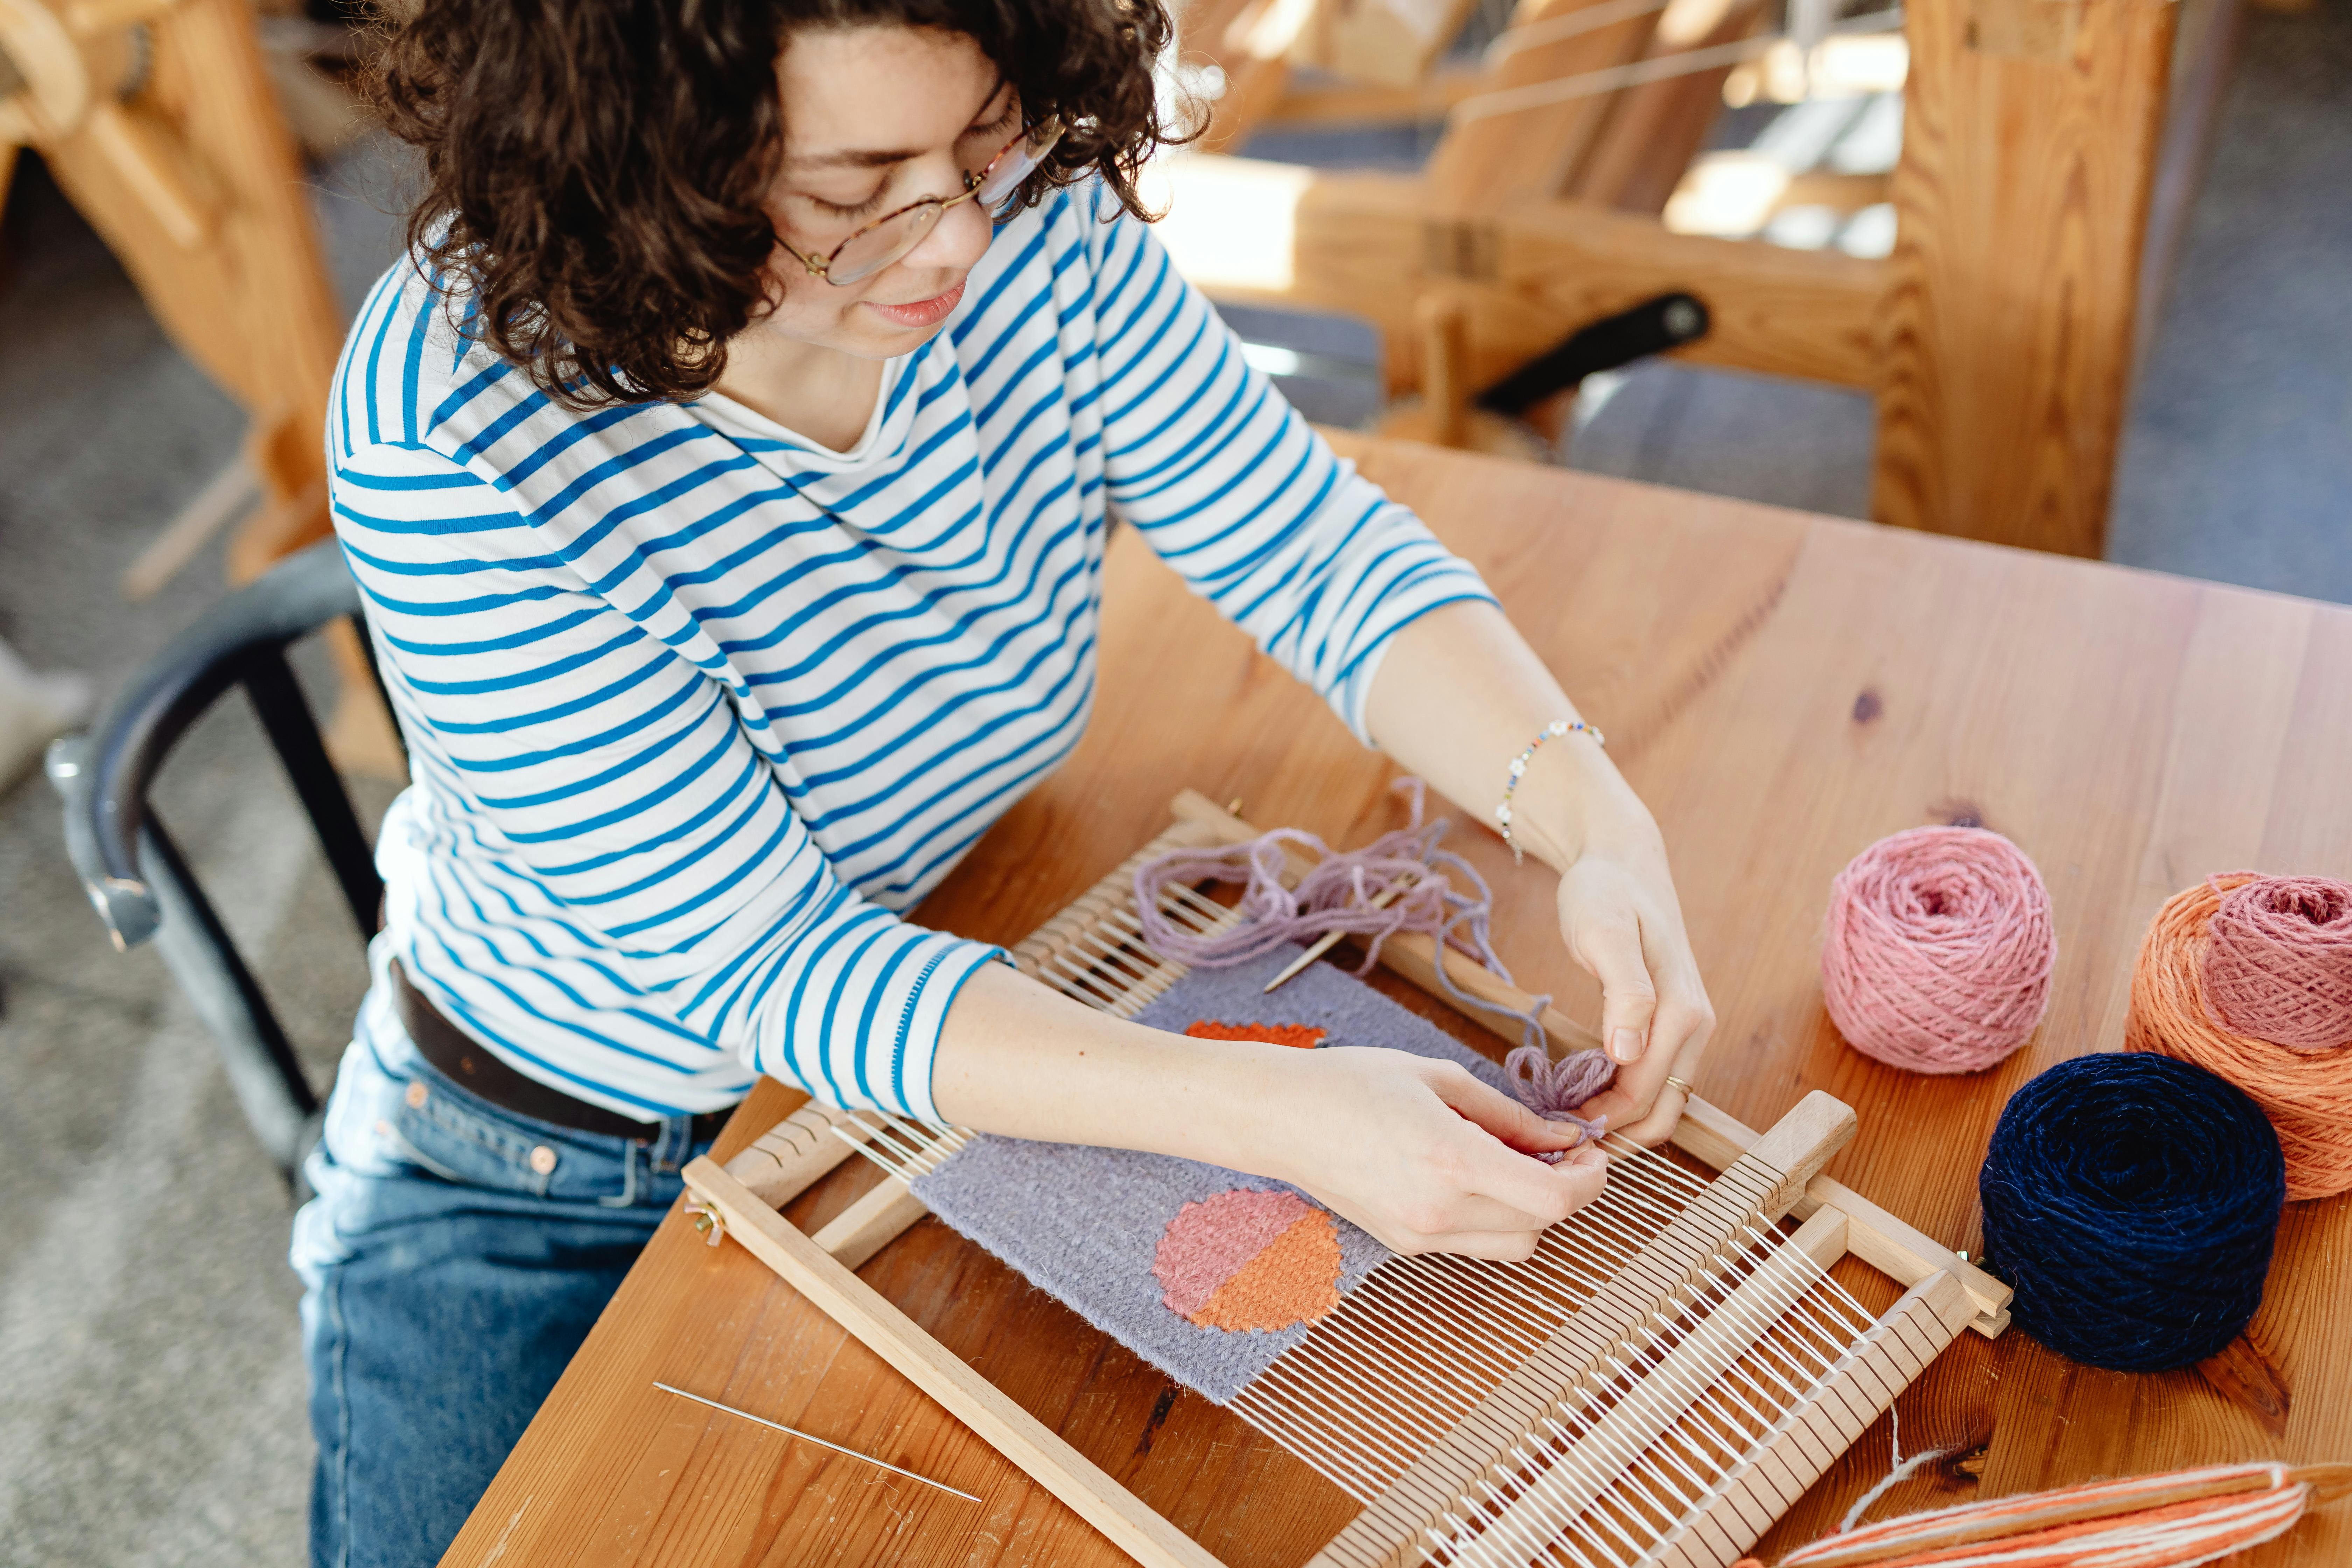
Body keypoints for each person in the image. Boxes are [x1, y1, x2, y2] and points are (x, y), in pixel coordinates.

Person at [294, 0, 1717, 1562]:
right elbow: (770, 964)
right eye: (856, 195)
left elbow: (1303, 541)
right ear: (642, 154)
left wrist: (1594, 816)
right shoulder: (461, 436)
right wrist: (1280, 1113)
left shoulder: (1032, 221)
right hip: (547, 1161)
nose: (962, 242)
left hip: (962, 981)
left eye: (988, 143)